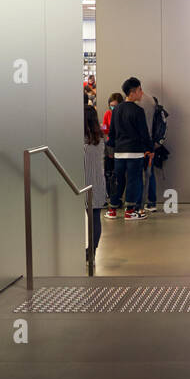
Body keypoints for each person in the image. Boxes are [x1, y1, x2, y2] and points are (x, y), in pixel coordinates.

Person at [106, 77, 153, 220]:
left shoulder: (116, 110)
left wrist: (111, 149)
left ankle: (112, 210)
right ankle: (130, 211)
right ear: (132, 92)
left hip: (119, 152)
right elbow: (144, 133)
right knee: (134, 180)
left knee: (118, 180)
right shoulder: (138, 111)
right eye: (139, 90)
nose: (141, 93)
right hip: (135, 152)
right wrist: (150, 149)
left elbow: (112, 133)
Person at [82, 103, 109, 267]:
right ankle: (92, 251)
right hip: (97, 184)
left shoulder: (80, 141)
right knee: (95, 219)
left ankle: (85, 252)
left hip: (80, 185)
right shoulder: (99, 140)